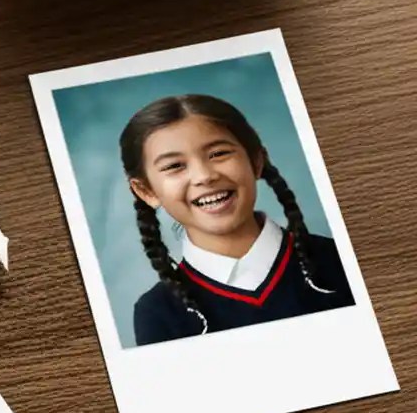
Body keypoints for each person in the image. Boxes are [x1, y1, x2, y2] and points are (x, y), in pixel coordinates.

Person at [120, 94, 354, 346]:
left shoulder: (341, 260)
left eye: (218, 153)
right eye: (174, 166)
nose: (204, 176)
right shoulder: (158, 313)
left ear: (255, 161)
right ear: (147, 191)